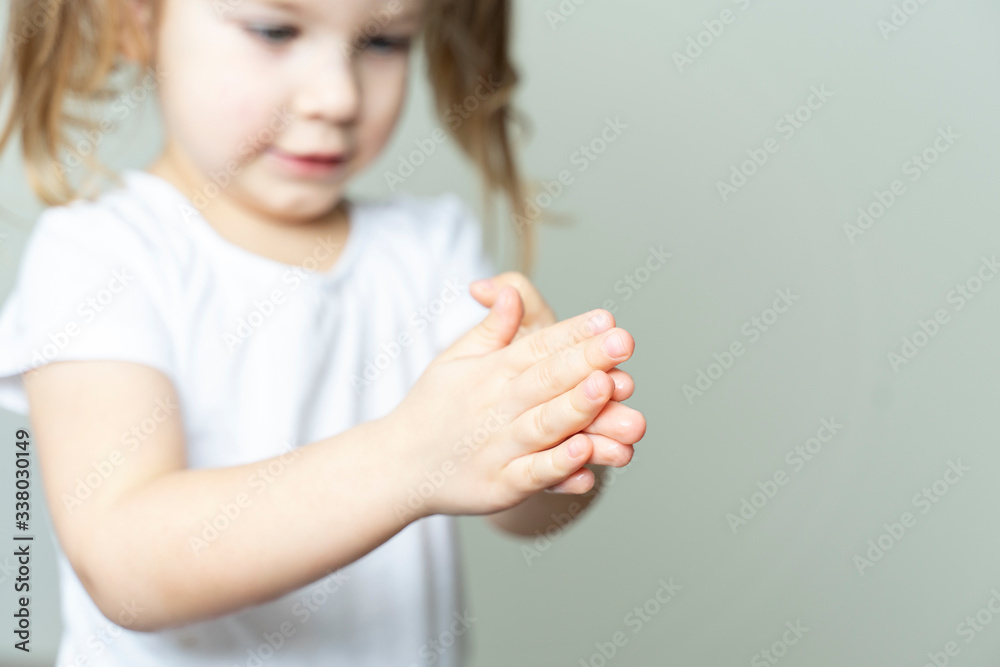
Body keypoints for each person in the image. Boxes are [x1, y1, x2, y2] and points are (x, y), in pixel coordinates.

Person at [0, 0, 646, 664]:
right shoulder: (103, 256)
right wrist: (412, 456)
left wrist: (553, 438)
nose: (338, 97)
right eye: (274, 31)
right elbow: (126, 564)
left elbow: (516, 510)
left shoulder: (431, 248)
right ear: (134, 21)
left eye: (384, 43)